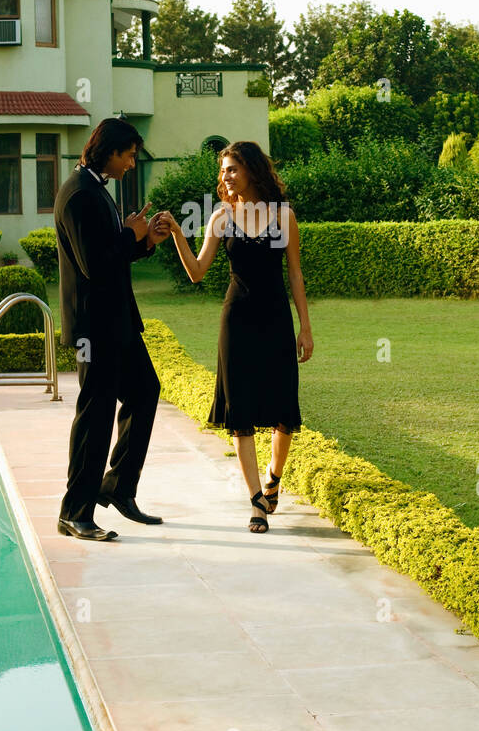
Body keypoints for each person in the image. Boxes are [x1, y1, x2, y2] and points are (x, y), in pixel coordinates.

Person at [158, 141, 313, 533]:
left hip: (276, 319)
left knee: (284, 411)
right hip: (237, 321)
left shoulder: (283, 216)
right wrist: (178, 232)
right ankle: (256, 500)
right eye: (223, 169)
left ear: (252, 170)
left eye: (232, 169)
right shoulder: (221, 217)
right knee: (240, 414)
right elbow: (196, 272)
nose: (225, 176)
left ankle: (274, 477)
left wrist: (305, 327)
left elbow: (295, 273)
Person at [54, 118, 171, 540]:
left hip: (116, 322)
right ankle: (75, 512)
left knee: (145, 391)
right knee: (96, 413)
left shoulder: (96, 190)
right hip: (93, 329)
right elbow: (95, 265)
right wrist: (129, 233)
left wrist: (144, 241)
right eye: (130, 154)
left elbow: (111, 253)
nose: (132, 162)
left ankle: (118, 488)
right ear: (111, 151)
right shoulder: (79, 195)